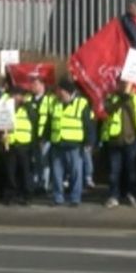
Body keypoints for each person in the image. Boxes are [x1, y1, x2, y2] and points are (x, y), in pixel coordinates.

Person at [102, 81, 136, 208]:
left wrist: (129, 99)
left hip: (131, 139)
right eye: (120, 84)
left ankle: (131, 194)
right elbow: (109, 109)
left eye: (125, 84)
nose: (122, 86)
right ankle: (114, 196)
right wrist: (123, 98)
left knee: (131, 170)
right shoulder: (111, 97)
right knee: (114, 171)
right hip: (115, 139)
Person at [49, 79, 95, 207]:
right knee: (57, 173)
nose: (58, 93)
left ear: (66, 91)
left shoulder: (81, 104)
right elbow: (50, 121)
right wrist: (45, 137)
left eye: (60, 91)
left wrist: (89, 142)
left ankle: (75, 198)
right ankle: (58, 197)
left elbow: (88, 124)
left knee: (76, 172)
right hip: (57, 142)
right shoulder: (55, 103)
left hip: (74, 144)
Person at [0, 87, 37, 206]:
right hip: (10, 143)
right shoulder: (5, 107)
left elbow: (34, 122)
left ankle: (27, 195)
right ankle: (10, 195)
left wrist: (33, 143)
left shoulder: (28, 108)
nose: (16, 98)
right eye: (14, 95)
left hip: (24, 144)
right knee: (10, 172)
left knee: (25, 172)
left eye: (18, 95)